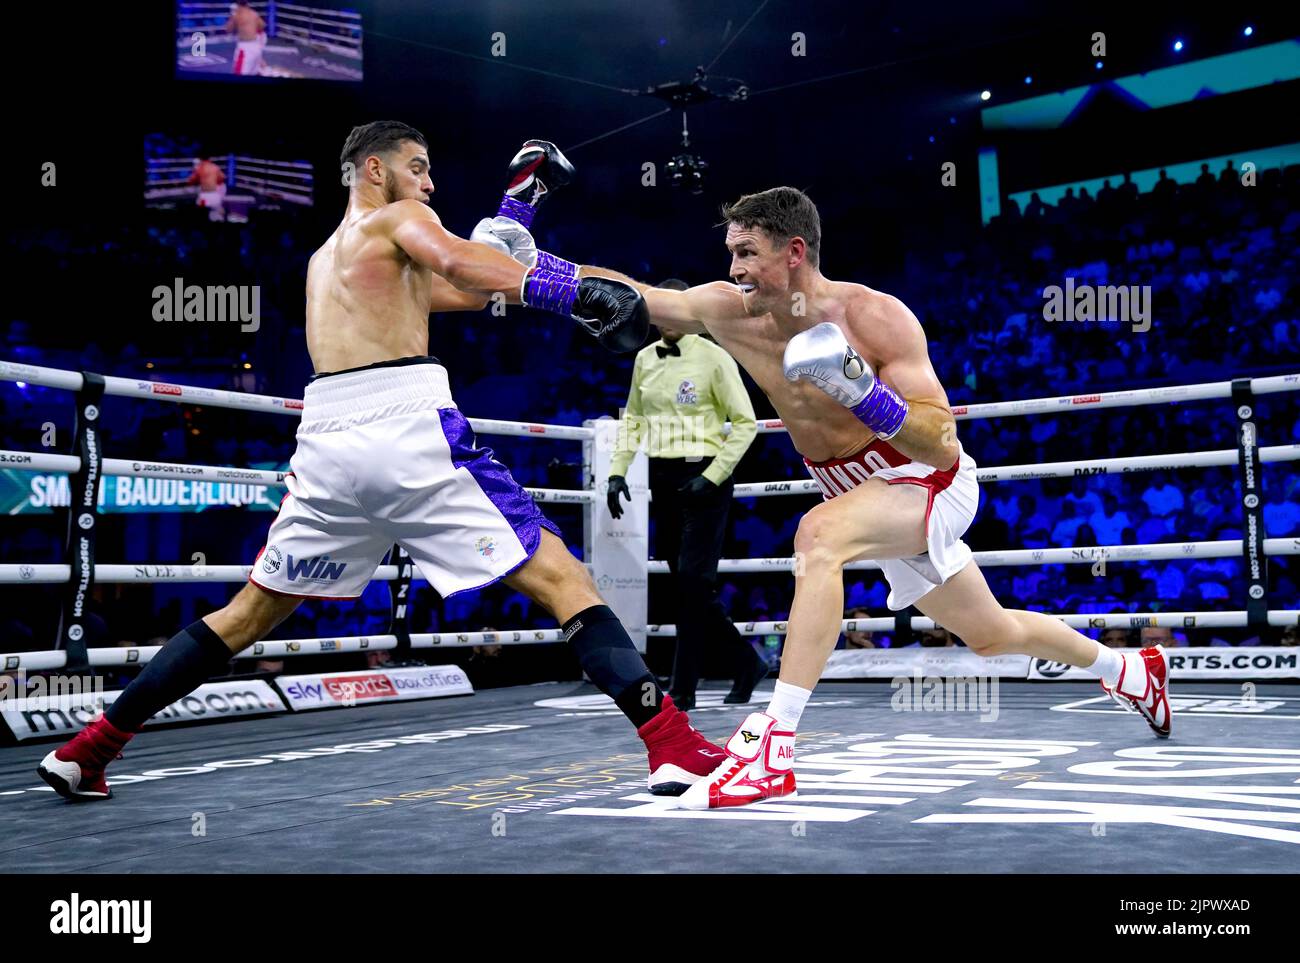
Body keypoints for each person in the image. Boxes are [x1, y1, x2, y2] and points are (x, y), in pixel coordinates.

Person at [39, 123, 724, 801]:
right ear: (373, 169)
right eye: (418, 167)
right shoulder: (400, 217)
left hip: (327, 445)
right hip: (405, 423)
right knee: (564, 578)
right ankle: (672, 745)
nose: (429, 183)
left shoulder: (326, 260)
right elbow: (459, 264)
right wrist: (571, 290)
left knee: (246, 615)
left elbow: (470, 289)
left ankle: (88, 748)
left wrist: (522, 221)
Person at [550, 185, 1172, 809]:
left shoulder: (874, 316)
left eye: (746, 252)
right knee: (991, 633)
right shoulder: (726, 310)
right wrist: (537, 271)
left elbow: (941, 441)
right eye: (730, 252)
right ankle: (1131, 671)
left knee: (818, 537)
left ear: (794, 251)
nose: (733, 269)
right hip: (860, 493)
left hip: (925, 481)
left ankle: (776, 746)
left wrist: (864, 395)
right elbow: (633, 296)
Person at [606, 278, 767, 709]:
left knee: (694, 582)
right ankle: (746, 663)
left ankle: (684, 687)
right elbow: (634, 420)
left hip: (705, 476)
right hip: (663, 477)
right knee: (687, 586)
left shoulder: (714, 356)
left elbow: (746, 422)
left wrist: (712, 476)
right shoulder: (643, 359)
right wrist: (617, 473)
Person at [225, 1, 268, 77]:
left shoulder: (237, 15)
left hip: (245, 49)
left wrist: (232, 15)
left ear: (237, 5)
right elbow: (262, 25)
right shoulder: (254, 14)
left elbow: (228, 29)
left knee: (239, 75)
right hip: (256, 47)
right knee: (253, 74)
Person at [187, 154, 226, 222]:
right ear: (210, 159)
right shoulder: (215, 167)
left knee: (201, 209)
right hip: (214, 195)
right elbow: (222, 178)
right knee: (217, 211)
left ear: (201, 160)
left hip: (204, 196)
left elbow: (191, 181)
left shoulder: (199, 168)